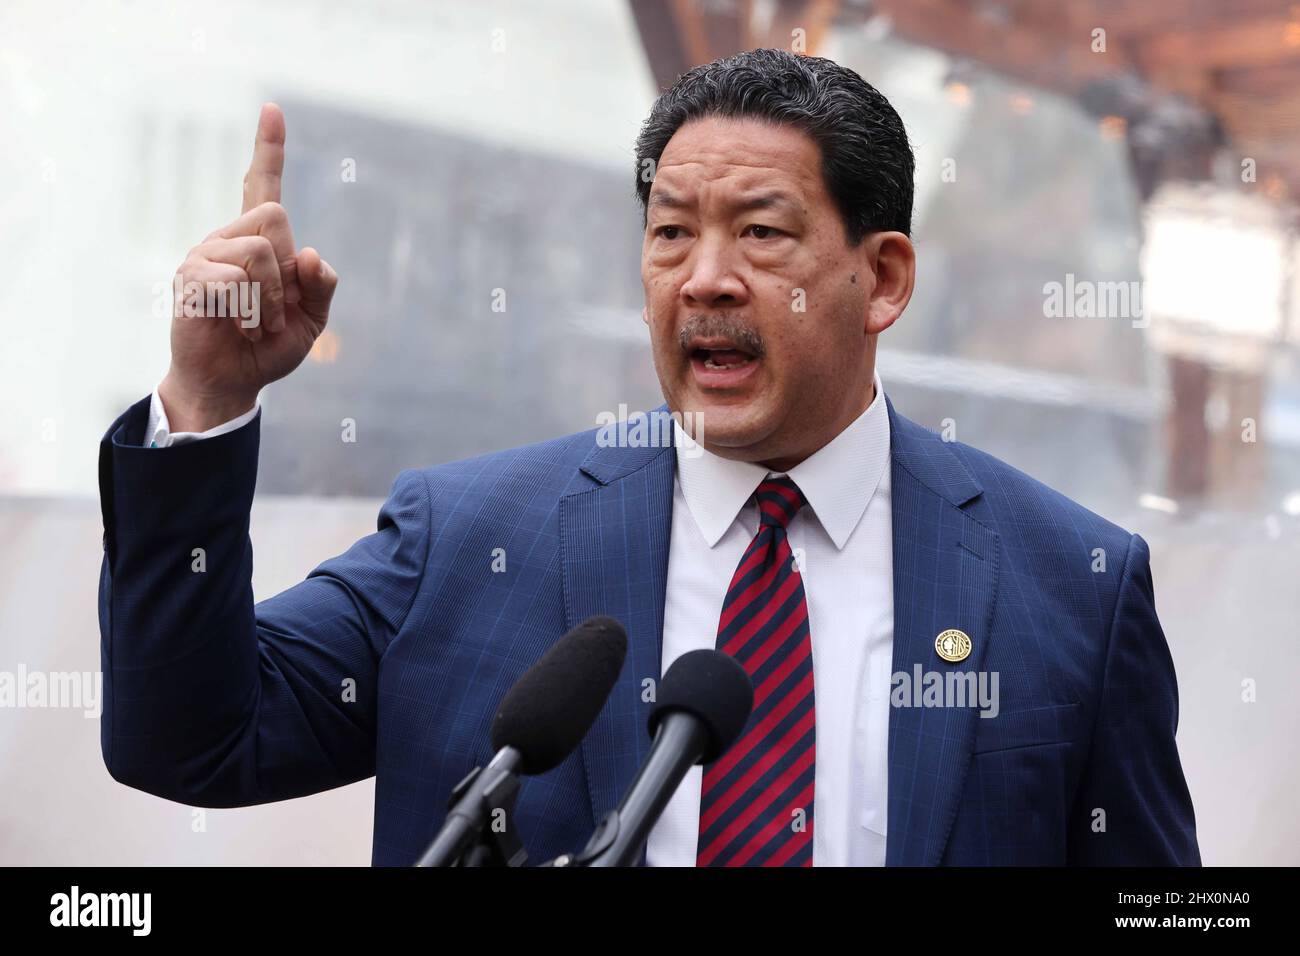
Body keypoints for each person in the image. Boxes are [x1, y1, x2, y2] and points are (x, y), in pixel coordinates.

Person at [97, 48, 1200, 866]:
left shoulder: (1074, 584)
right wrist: (206, 399)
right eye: (670, 231)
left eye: (761, 232)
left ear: (886, 277)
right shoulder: (469, 536)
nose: (703, 278)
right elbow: (189, 739)